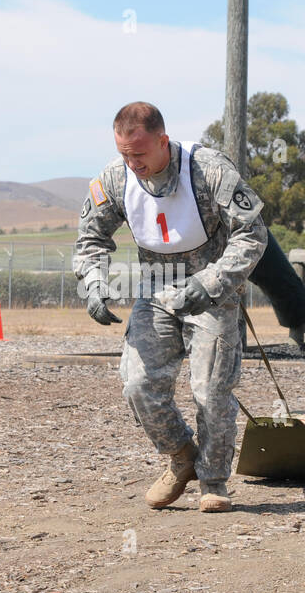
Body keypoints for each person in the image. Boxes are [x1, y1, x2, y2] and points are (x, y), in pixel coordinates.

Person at [73, 102, 268, 513]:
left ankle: (213, 482)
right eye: (125, 154)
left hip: (212, 291)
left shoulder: (209, 170)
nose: (133, 163)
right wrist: (93, 282)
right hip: (156, 292)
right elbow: (90, 238)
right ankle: (182, 457)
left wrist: (212, 282)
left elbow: (251, 234)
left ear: (163, 141)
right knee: (138, 383)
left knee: (210, 391)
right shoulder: (115, 177)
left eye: (140, 154)